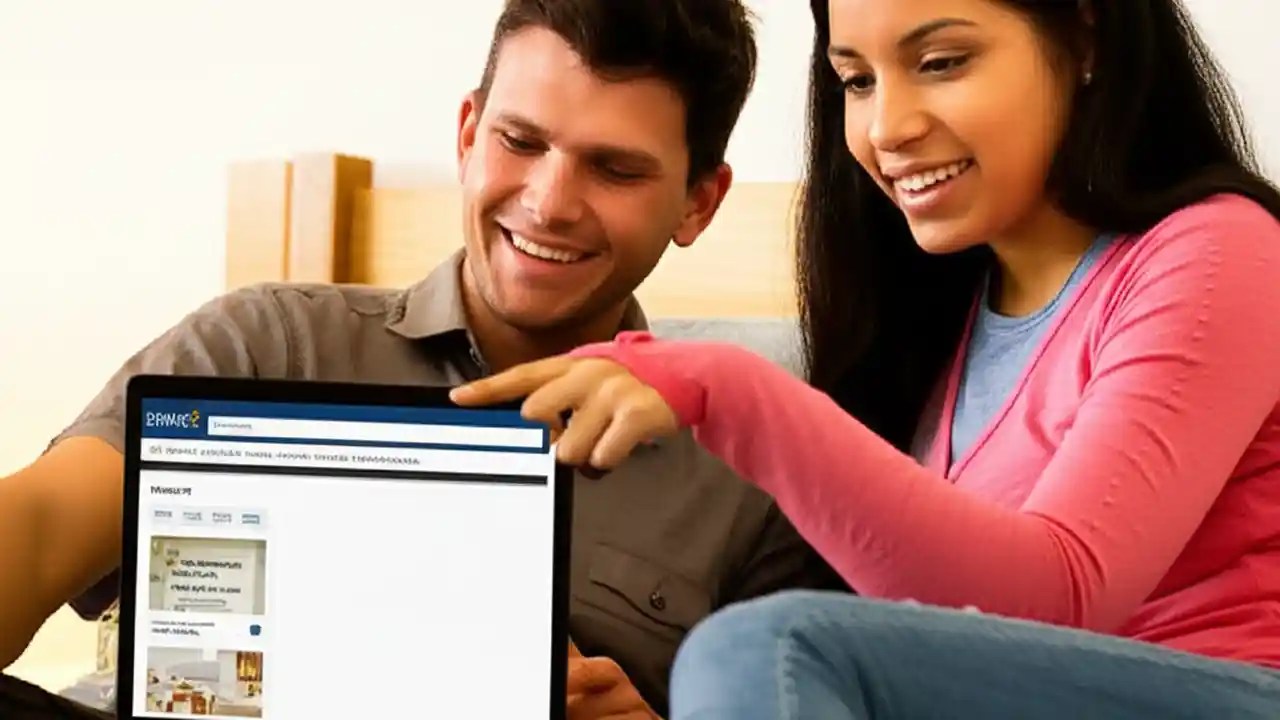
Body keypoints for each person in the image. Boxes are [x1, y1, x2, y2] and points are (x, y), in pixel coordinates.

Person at [0, 1, 840, 718]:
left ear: (699, 201)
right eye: (519, 141)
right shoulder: (266, 344)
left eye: (614, 170)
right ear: (469, 133)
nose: (548, 205)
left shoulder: (753, 481)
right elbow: (36, 532)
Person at [450, 0, 1280, 717]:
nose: (888, 127)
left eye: (942, 61)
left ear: (1087, 38)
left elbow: (1055, 602)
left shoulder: (1221, 251)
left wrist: (729, 387)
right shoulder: (940, 322)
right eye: (857, 81)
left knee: (757, 649)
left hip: (1221, 690)